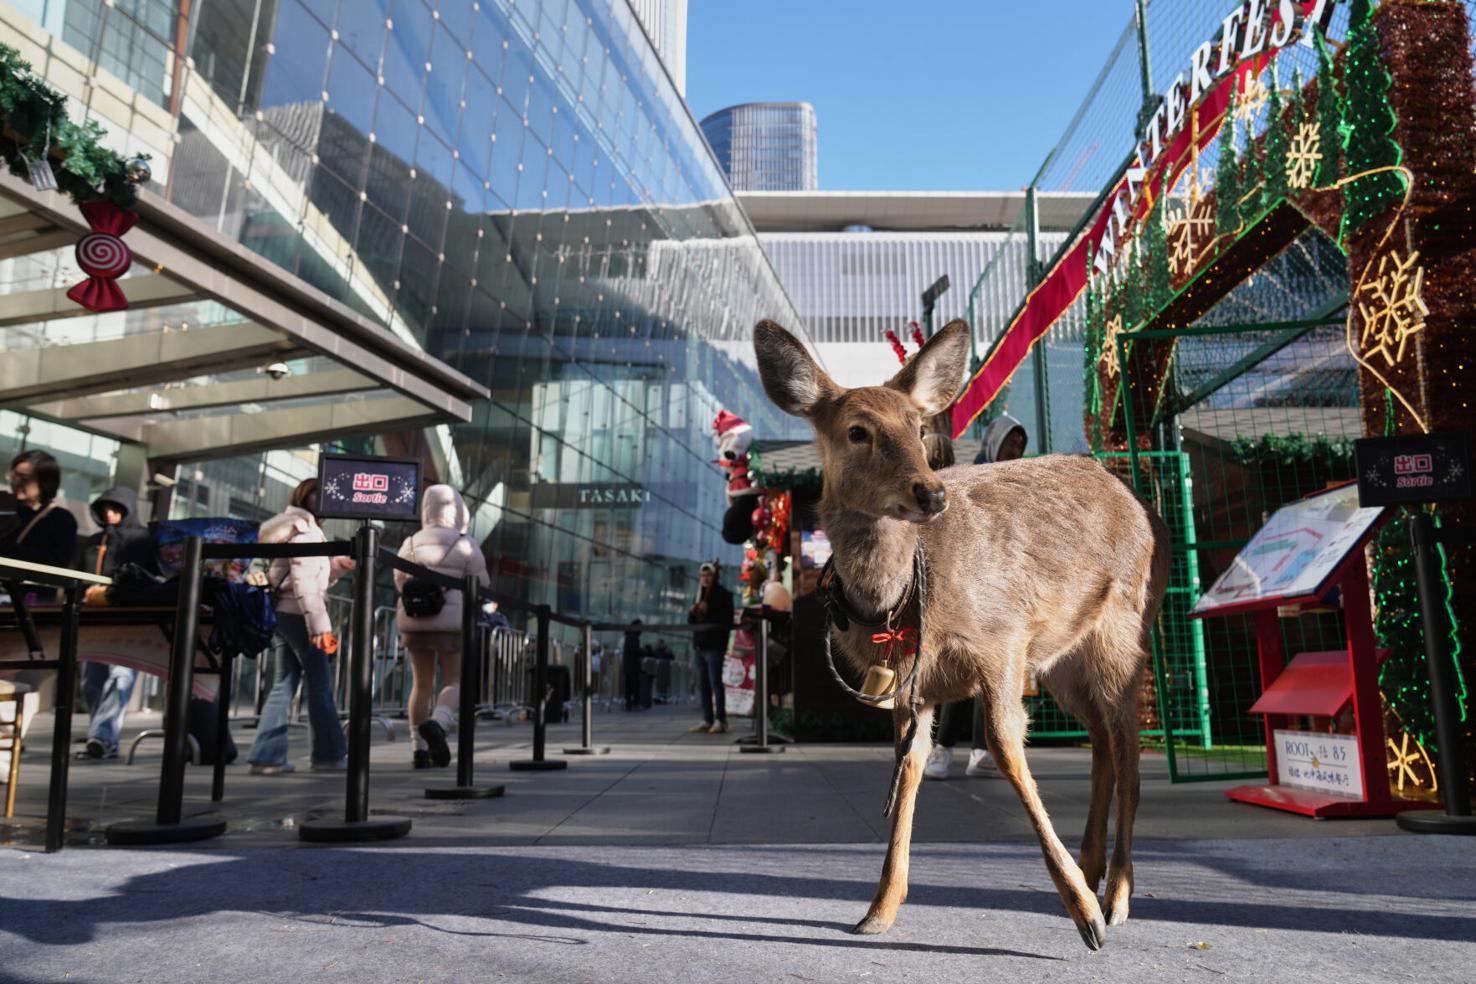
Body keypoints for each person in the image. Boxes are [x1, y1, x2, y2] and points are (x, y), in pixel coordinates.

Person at [927, 414, 1028, 781]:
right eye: (1010, 443)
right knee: (960, 671)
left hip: (1005, 591)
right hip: (967, 587)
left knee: (995, 673)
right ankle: (942, 750)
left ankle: (983, 751)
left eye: (1019, 445)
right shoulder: (971, 478)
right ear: (994, 441)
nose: (1014, 450)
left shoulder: (1020, 484)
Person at [246, 478, 354, 775]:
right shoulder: (303, 529)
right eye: (316, 494)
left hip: (286, 613)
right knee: (319, 684)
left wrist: (336, 567)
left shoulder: (300, 527)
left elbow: (310, 576)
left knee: (284, 683)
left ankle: (266, 757)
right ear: (304, 498)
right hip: (300, 616)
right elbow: (304, 582)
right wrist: (320, 626)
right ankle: (328, 754)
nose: (322, 499)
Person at [395, 485, 490, 769]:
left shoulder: (410, 542)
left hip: (414, 622)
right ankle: (439, 723)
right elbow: (482, 584)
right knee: (454, 681)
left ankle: (418, 749)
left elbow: (400, 580)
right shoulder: (464, 543)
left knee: (421, 684)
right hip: (451, 624)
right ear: (458, 510)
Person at [77, 484, 158, 760]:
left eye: (116, 509)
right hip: (95, 619)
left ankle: (102, 736)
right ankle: (101, 736)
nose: (110, 514)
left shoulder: (143, 540)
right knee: (92, 681)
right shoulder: (94, 542)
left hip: (129, 619)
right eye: (105, 509)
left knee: (121, 676)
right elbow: (79, 576)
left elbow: (150, 576)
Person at [1, 451, 79, 596]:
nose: (16, 482)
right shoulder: (4, 507)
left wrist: (10, 550)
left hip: (31, 601)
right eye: (14, 475)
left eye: (24, 478)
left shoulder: (61, 519)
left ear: (45, 483)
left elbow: (57, 563)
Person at [687, 561, 734, 734]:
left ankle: (720, 719)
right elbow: (691, 622)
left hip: (715, 645)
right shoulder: (698, 595)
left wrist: (709, 611)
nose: (705, 579)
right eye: (703, 575)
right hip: (699, 645)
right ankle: (707, 718)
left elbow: (726, 620)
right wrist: (693, 612)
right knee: (703, 683)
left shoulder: (723, 595)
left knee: (715, 682)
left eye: (708, 575)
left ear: (714, 577)